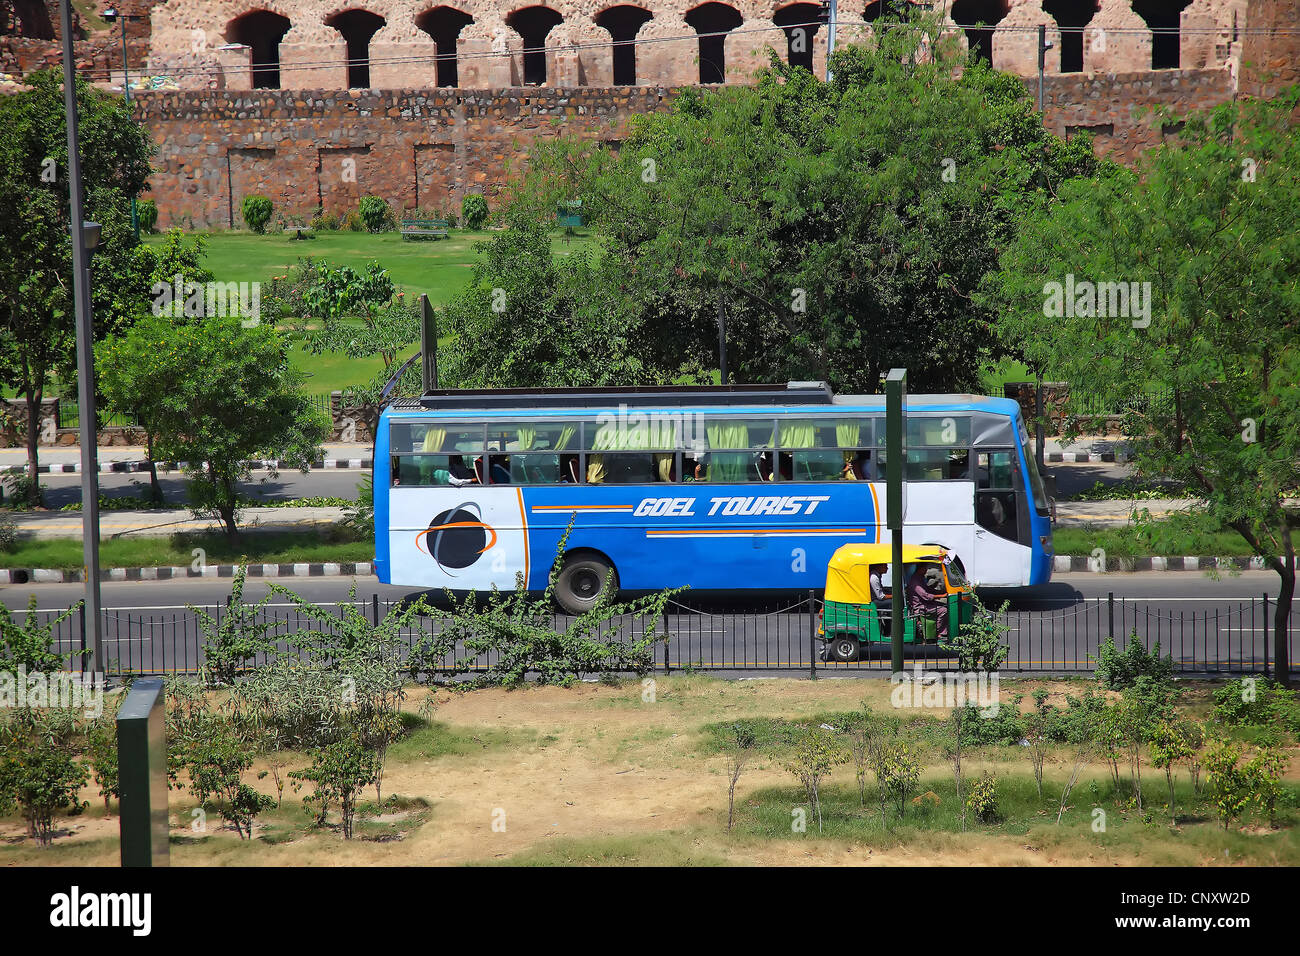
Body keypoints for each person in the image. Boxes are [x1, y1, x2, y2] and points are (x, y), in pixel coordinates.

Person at [906, 563, 949, 640]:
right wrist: (941, 596)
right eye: (925, 569)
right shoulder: (915, 582)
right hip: (921, 607)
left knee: (945, 605)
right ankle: (940, 633)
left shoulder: (920, 578)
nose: (926, 571)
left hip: (926, 604)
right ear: (920, 569)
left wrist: (940, 592)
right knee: (944, 610)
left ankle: (944, 630)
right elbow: (926, 596)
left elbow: (928, 589)